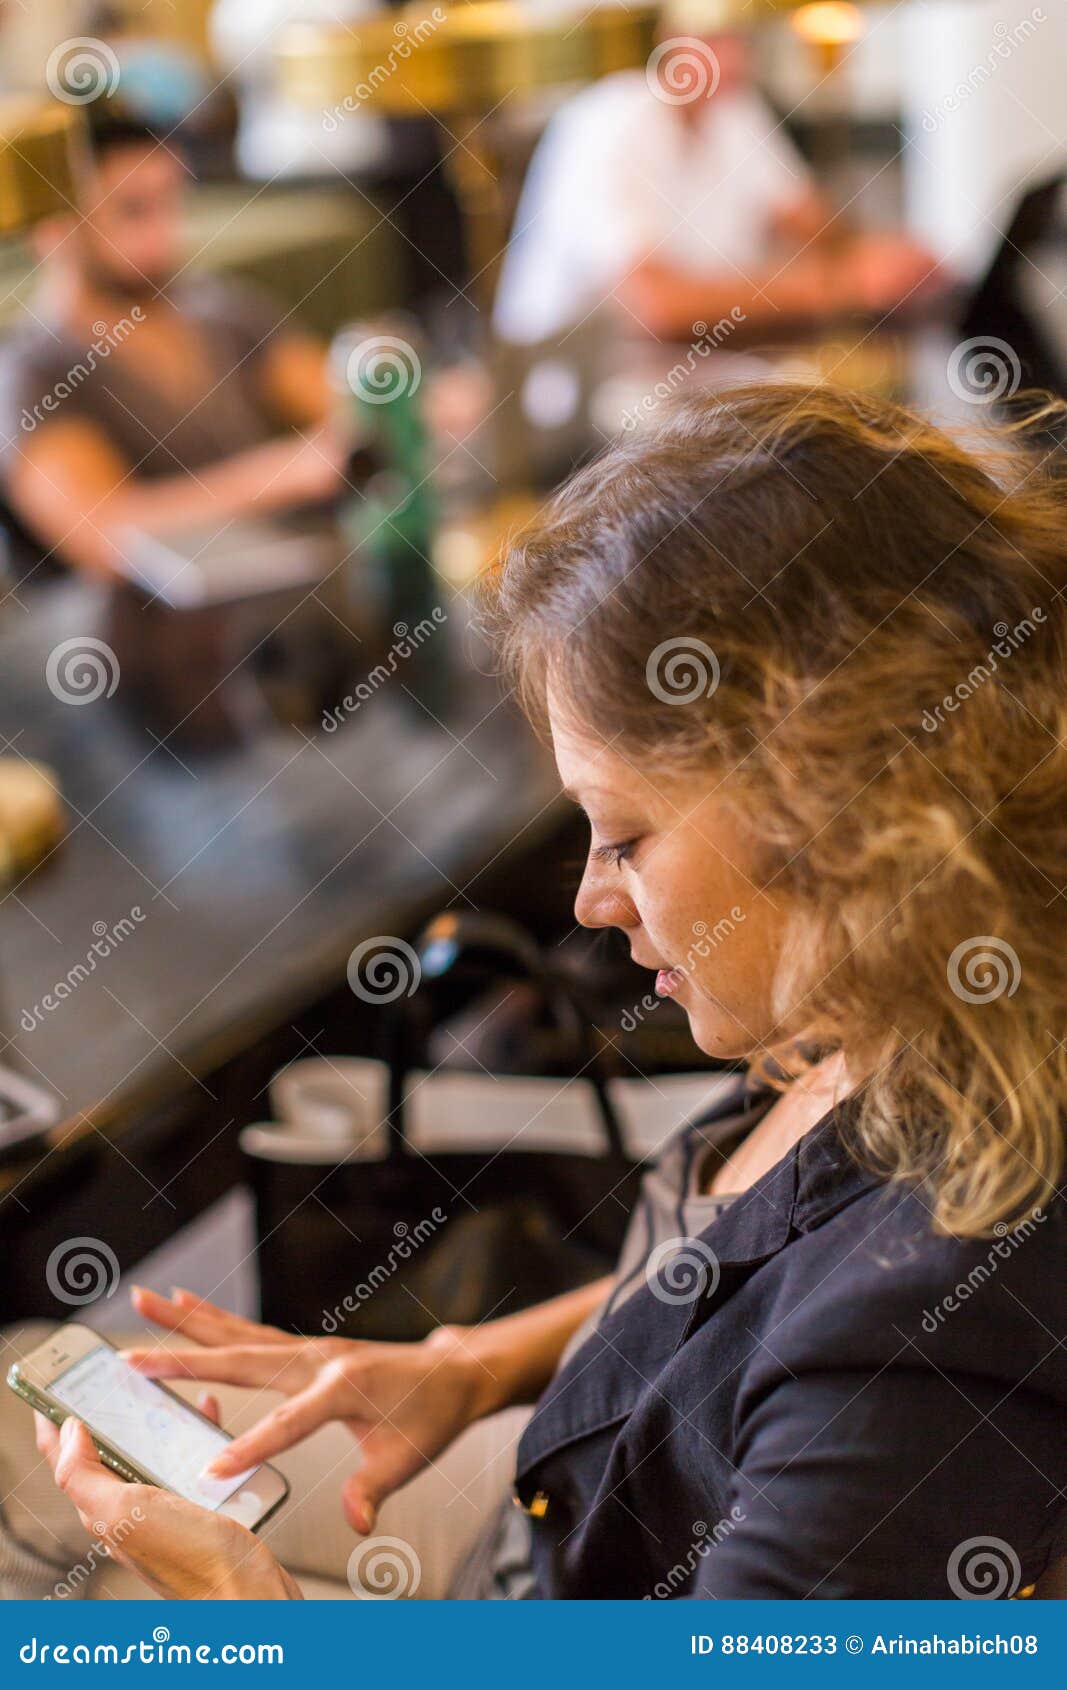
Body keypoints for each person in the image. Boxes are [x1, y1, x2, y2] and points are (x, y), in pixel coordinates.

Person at [37, 382, 1067, 1598]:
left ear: (838, 809)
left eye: (625, 836)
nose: (587, 899)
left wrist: (252, 1619)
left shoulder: (922, 1354)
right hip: (559, 1490)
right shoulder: (912, 997)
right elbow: (741, 1286)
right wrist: (472, 1365)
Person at [0, 105, 344, 582]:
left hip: (282, 598)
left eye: (170, 201)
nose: (164, 234)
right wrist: (284, 474)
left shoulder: (219, 310)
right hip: (131, 644)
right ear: (54, 227)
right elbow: (105, 533)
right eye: (132, 210)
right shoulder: (31, 371)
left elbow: (339, 407)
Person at [493, 1, 940, 345]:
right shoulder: (613, 120)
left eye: (742, 38)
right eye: (718, 37)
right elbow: (658, 307)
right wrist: (839, 285)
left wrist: (883, 257)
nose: (736, 57)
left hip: (675, 375)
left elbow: (816, 225)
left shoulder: (734, 110)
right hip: (570, 402)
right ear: (672, 35)